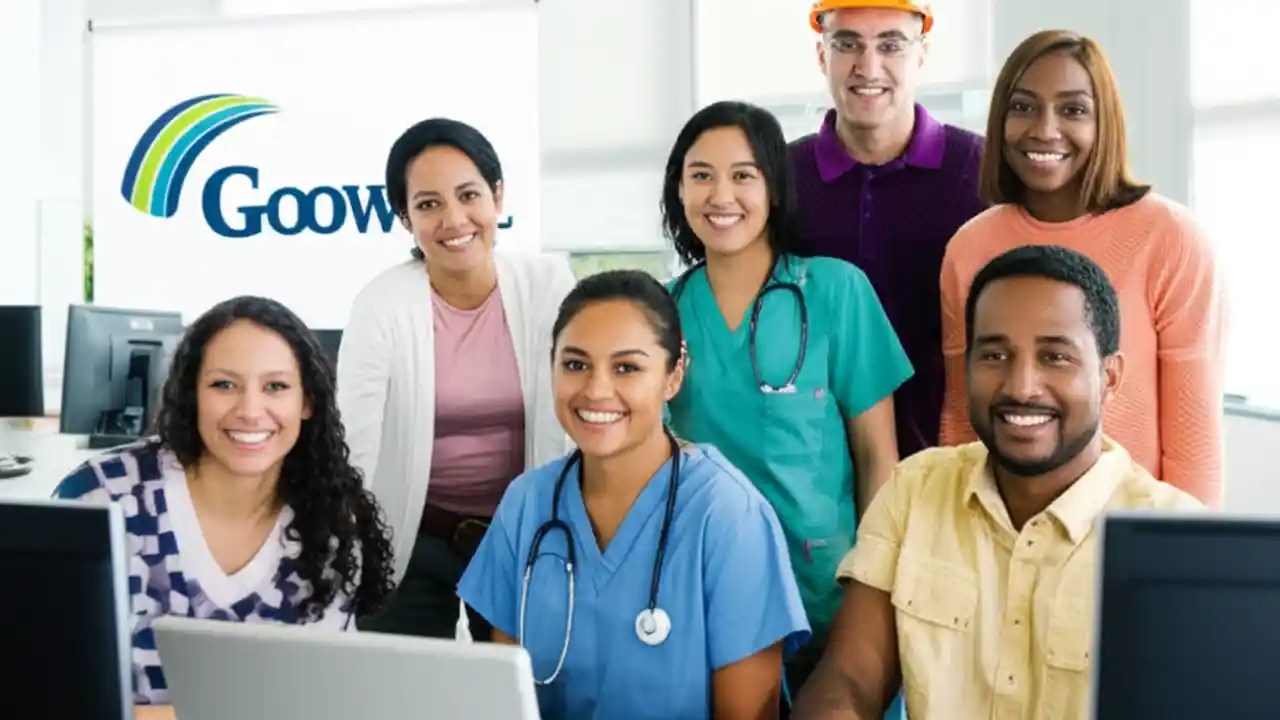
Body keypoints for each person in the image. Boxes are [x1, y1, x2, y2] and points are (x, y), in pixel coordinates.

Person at [790, 245, 1204, 720]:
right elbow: (850, 676)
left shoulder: (1176, 538)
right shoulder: (915, 489)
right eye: (995, 354)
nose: (1021, 385)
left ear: (1109, 377)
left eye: (1055, 356)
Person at [458, 270, 811, 719]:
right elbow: (503, 701)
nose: (596, 389)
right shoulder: (527, 503)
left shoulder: (728, 516)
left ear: (673, 375)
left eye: (626, 367)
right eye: (575, 364)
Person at [661, 100, 912, 698]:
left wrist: (871, 593)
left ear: (775, 187)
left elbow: (879, 458)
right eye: (701, 175)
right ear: (679, 190)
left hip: (826, 593)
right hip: (706, 593)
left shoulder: (836, 291)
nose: (722, 195)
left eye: (743, 175)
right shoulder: (661, 313)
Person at [54, 295, 396, 717]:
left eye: (276, 386)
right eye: (224, 385)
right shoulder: (103, 498)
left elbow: (320, 702)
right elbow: (47, 682)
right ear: (192, 394)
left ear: (306, 402)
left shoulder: (328, 524)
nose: (250, 411)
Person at [938, 29, 1226, 507]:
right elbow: (961, 421)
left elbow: (1193, 445)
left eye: (1072, 110)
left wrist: (1182, 563)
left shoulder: (1171, 237)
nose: (1044, 130)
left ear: (1104, 122)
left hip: (1125, 534)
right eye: (1024, 107)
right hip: (1000, 534)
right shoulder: (970, 247)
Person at [338, 117, 577, 637]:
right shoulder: (381, 304)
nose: (453, 218)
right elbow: (351, 444)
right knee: (404, 694)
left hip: (521, 534)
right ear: (405, 218)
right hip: (414, 535)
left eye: (468, 194)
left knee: (519, 691)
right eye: (428, 204)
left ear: (497, 196)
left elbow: (579, 412)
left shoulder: (547, 286)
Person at [791, 0, 986, 460]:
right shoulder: (781, 178)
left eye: (891, 45)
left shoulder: (980, 172)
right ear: (822, 55)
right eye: (847, 44)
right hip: (815, 475)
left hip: (952, 462)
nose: (869, 66)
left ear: (921, 54)